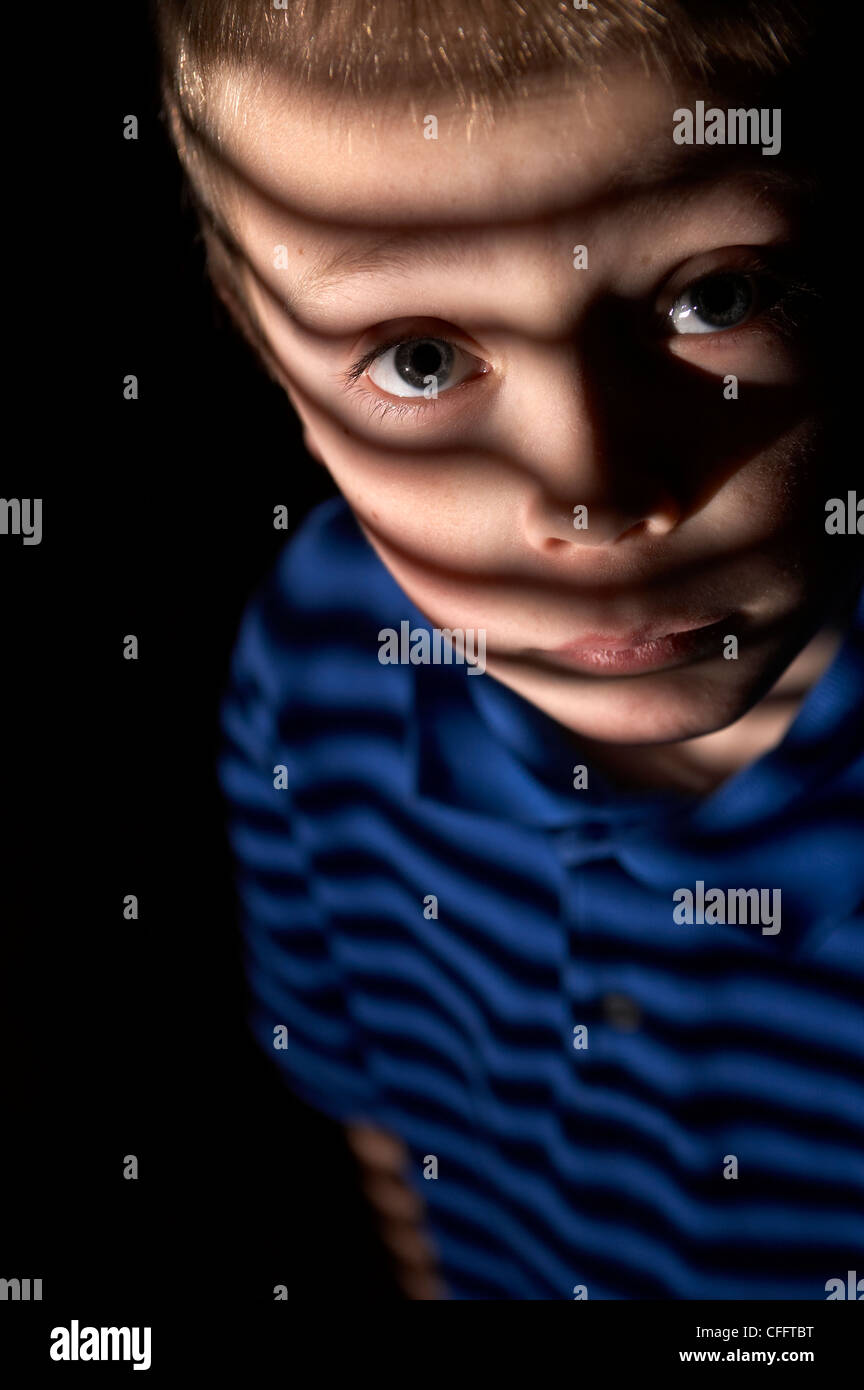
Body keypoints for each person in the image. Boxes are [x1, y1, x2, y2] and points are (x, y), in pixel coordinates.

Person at [156, 0, 864, 1298]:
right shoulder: (317, 670)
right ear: (267, 358)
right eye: (421, 359)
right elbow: (388, 1123)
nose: (589, 494)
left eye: (718, 296)